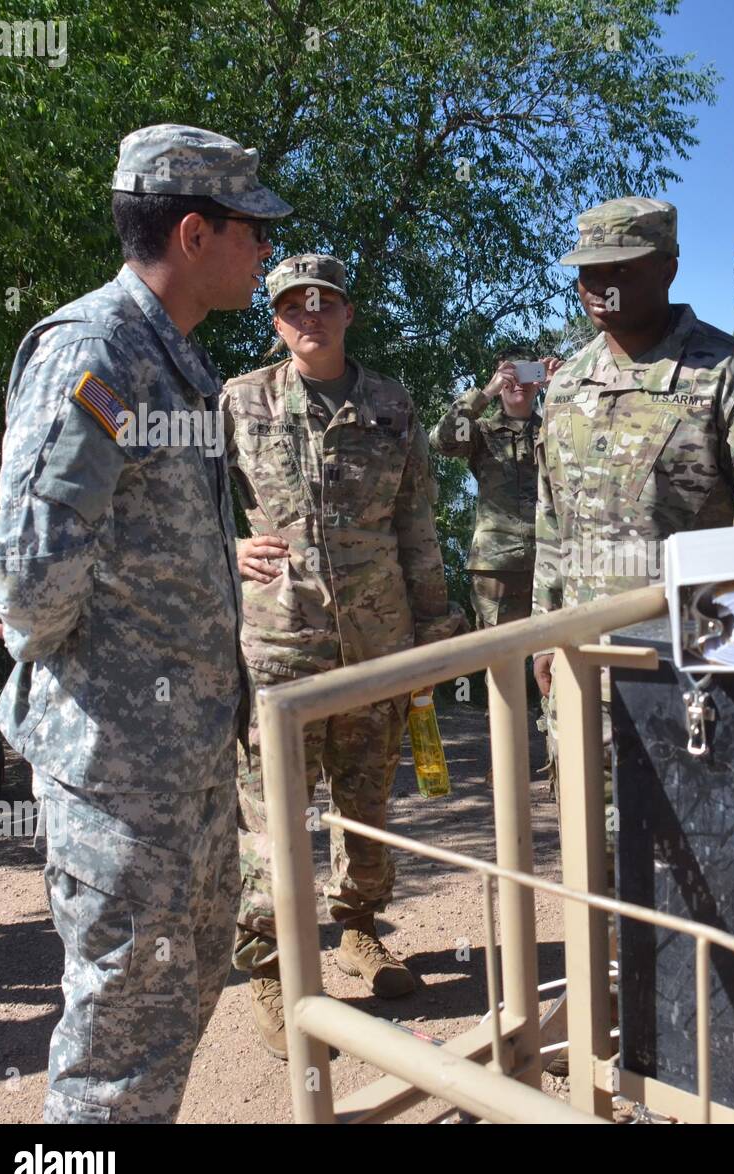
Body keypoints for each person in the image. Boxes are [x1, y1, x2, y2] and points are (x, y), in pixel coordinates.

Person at [0, 124, 290, 1121]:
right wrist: (53, 646)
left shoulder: (171, 359)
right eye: (253, 230)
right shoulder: (98, 349)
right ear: (196, 233)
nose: (265, 251)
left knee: (178, 996)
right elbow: (31, 578)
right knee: (117, 1039)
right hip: (120, 768)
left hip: (182, 758)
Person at [222, 252, 464, 1060]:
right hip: (279, 649)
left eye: (324, 302)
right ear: (276, 317)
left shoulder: (392, 407)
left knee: (367, 806)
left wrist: (434, 632)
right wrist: (225, 549)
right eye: (293, 304)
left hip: (374, 645)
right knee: (272, 820)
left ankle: (361, 930)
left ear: (349, 311)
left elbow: (418, 529)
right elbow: (175, 504)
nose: (309, 316)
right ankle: (270, 967)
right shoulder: (238, 403)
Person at [531, 196, 734, 698]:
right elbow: (551, 519)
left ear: (667, 269)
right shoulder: (568, 382)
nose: (599, 288)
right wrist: (544, 630)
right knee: (573, 779)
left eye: (621, 269)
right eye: (587, 271)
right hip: (582, 665)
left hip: (687, 672)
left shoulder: (731, 375)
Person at [429, 352, 561, 631]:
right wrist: (485, 393)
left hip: (553, 560)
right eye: (510, 374)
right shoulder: (481, 432)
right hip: (497, 565)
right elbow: (443, 441)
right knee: (501, 658)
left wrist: (563, 388)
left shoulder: (556, 426)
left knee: (558, 652)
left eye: (527, 373)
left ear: (537, 380)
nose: (518, 382)